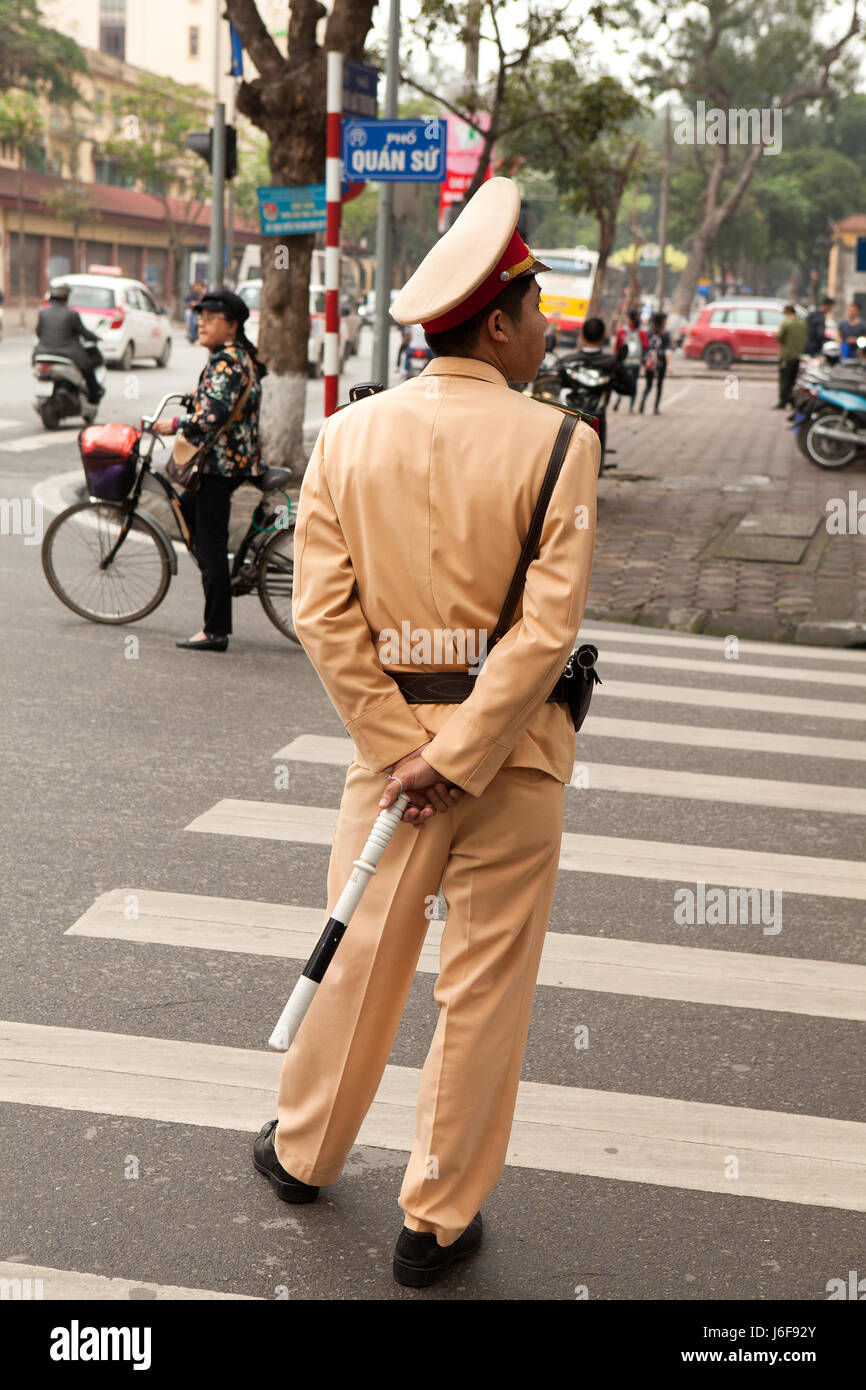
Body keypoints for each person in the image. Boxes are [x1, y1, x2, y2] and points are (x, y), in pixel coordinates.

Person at [252, 177, 600, 1288]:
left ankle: (303, 1153)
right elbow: (544, 634)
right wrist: (462, 754)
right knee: (481, 990)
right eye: (536, 309)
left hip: (387, 758)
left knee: (358, 958)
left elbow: (322, 613)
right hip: (514, 762)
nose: (547, 328)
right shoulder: (560, 443)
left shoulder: (347, 436)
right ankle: (435, 1222)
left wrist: (405, 749)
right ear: (494, 323)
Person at [152, 287, 266, 651]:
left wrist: (176, 425)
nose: (201, 323)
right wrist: (197, 396)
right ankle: (217, 577)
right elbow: (223, 400)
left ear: (231, 326)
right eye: (199, 317)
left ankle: (215, 630)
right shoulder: (236, 356)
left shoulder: (226, 361)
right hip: (230, 462)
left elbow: (214, 415)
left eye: (210, 318)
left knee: (211, 547)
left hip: (219, 466)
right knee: (189, 511)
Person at [34, 282, 105, 403]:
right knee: (88, 367)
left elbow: (39, 332)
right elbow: (84, 333)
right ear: (66, 298)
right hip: (68, 353)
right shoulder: (72, 314)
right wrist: (96, 337)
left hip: (42, 352)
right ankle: (95, 394)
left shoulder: (43, 313)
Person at [613, 308, 648, 412]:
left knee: (621, 381)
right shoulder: (641, 332)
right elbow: (645, 346)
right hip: (636, 362)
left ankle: (619, 397)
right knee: (634, 382)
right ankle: (631, 407)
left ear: (628, 318)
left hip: (623, 361)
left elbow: (617, 347)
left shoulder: (622, 331)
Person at [775, 304, 807, 409]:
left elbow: (779, 337)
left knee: (784, 380)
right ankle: (793, 402)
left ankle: (782, 402)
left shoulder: (786, 323)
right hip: (797, 356)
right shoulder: (802, 324)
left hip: (787, 356)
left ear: (787, 312)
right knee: (793, 380)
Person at [639, 311, 671, 415]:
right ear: (662, 321)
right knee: (659, 385)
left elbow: (644, 348)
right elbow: (667, 350)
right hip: (661, 361)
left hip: (649, 361)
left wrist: (643, 361)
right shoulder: (665, 334)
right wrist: (669, 364)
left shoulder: (648, 332)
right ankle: (656, 408)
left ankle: (643, 400)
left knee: (648, 384)